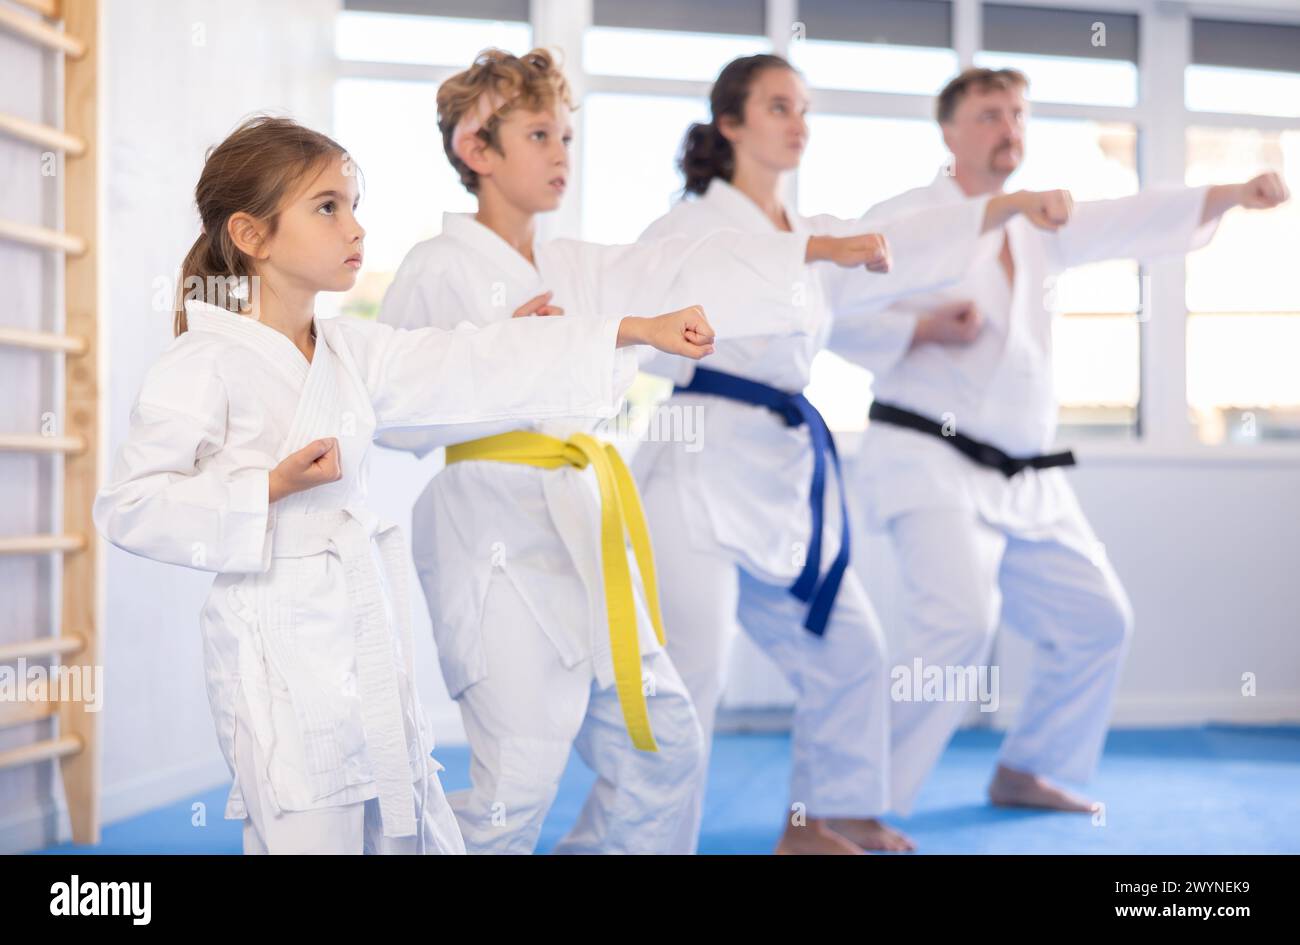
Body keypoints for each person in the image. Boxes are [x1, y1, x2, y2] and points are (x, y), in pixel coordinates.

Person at [92, 115, 717, 854]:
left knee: (407, 827)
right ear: (252, 235)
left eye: (354, 205)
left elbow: (466, 361)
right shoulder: (202, 361)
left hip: (363, 625)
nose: (354, 226)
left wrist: (630, 330)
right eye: (327, 207)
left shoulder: (351, 347)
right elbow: (129, 506)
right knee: (311, 833)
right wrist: (264, 487)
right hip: (276, 645)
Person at [380, 48, 896, 854]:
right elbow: (397, 411)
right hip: (491, 524)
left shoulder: (575, 264)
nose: (561, 155)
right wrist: (514, 351)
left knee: (662, 742)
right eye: (540, 134)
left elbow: (676, 267)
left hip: (586, 520)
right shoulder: (434, 267)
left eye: (568, 136)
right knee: (517, 774)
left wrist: (811, 251)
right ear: (476, 150)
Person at [633, 54, 1074, 854]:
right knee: (691, 675)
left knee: (852, 649)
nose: (798, 122)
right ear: (729, 123)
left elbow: (902, 244)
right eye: (777, 107)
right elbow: (647, 319)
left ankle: (814, 820)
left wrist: (1001, 206)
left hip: (782, 469)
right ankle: (631, 842)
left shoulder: (811, 234)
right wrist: (812, 258)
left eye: (803, 108)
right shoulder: (690, 223)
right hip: (698, 461)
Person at [840, 67, 1290, 817]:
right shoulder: (912, 216)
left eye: (1017, 114)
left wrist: (1230, 196)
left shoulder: (1034, 222)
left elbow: (1129, 216)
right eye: (989, 114)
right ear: (948, 132)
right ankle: (855, 802)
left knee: (1097, 619)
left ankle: (1028, 767)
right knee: (957, 622)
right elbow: (837, 303)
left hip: (1024, 475)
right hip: (930, 460)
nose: (1008, 128)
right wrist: (918, 326)